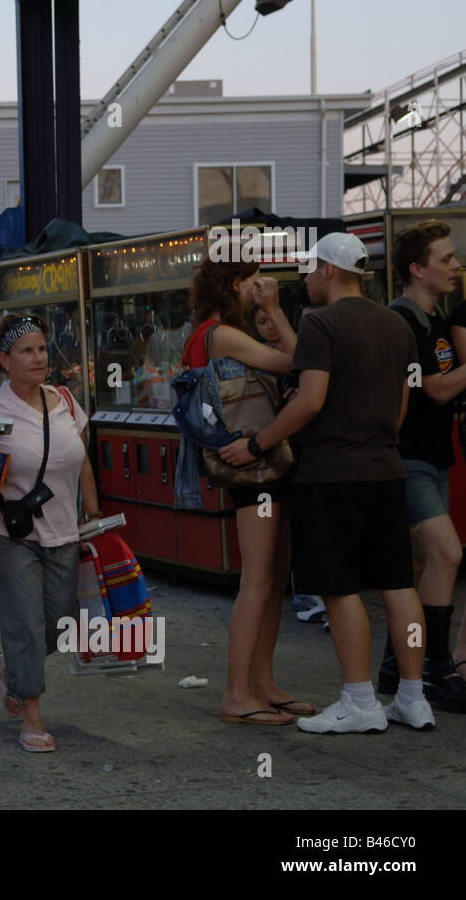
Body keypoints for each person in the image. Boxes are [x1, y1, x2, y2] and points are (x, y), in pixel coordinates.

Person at [219, 232, 434, 733]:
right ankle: (412, 697)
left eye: (311, 270)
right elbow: (401, 405)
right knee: (399, 585)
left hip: (333, 473)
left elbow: (310, 399)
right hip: (387, 468)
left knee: (339, 589)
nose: (308, 280)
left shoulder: (321, 324)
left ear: (329, 271)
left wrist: (257, 444)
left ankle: (359, 701)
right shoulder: (396, 324)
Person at [0, 314, 100, 753]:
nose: (38, 358)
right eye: (26, 351)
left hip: (65, 531)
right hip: (7, 534)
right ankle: (31, 717)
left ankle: (10, 668)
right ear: (4, 359)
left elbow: (83, 461)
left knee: (62, 623)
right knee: (25, 624)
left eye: (42, 349)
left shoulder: (65, 399)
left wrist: (95, 513)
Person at [183, 256, 304, 727]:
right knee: (258, 579)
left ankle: (263, 683)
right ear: (235, 284)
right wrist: (275, 310)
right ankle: (238, 692)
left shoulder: (213, 333)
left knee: (273, 579)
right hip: (252, 468)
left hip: (258, 465)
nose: (262, 286)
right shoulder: (219, 334)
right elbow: (299, 359)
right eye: (254, 281)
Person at [380, 220, 466, 712]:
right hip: (407, 458)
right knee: (447, 555)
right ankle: (434, 670)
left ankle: (398, 664)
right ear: (417, 268)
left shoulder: (432, 320)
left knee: (415, 567)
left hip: (432, 457)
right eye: (445, 258)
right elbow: (435, 389)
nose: (456, 265)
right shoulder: (404, 320)